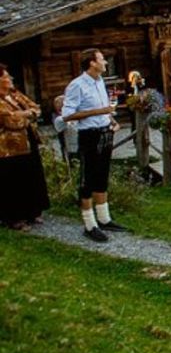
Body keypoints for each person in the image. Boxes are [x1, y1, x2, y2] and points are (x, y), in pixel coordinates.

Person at [61, 49, 126, 241]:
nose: (105, 62)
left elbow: (104, 110)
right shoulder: (77, 85)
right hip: (89, 135)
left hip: (105, 132)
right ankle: (90, 224)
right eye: (101, 59)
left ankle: (104, 218)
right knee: (87, 179)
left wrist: (110, 120)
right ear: (91, 63)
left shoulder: (99, 82)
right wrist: (99, 111)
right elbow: (67, 114)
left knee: (102, 175)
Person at [0, 64, 50, 230]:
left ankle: (32, 211)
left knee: (31, 175)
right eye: (7, 77)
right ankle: (14, 217)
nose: (11, 79)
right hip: (9, 147)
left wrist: (27, 114)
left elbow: (35, 108)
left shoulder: (15, 95)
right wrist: (27, 116)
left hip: (28, 141)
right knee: (13, 180)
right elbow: (10, 121)